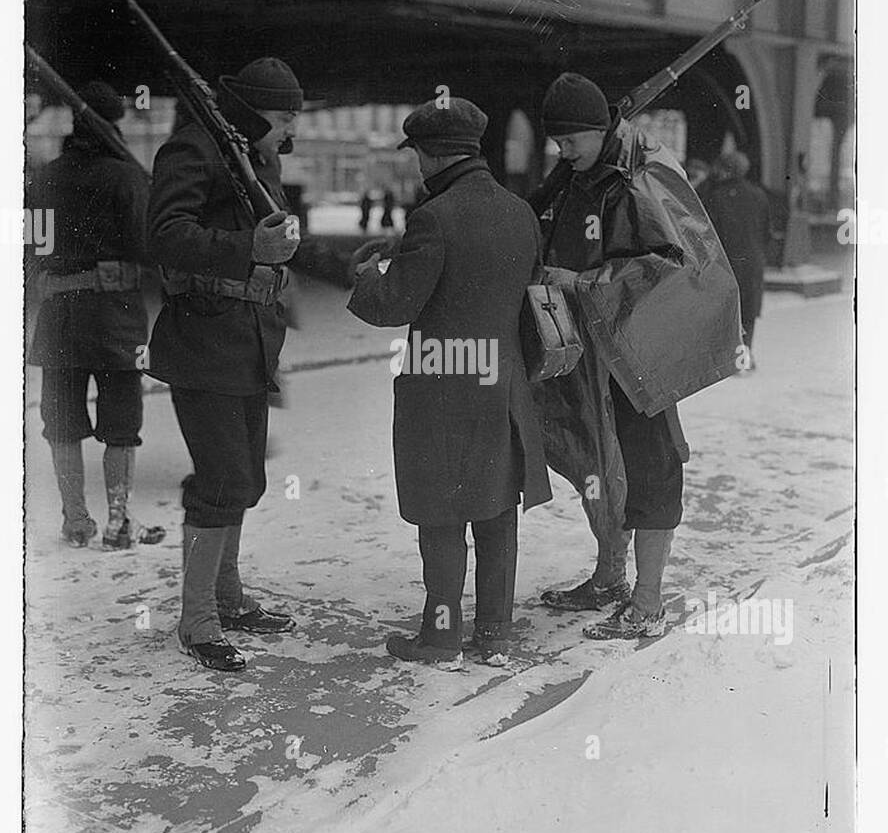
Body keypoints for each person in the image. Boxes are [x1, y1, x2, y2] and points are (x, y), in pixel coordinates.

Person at [347, 98, 551, 668]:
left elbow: (395, 304)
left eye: (417, 153)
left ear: (434, 154)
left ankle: (440, 638)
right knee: (497, 511)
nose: (416, 165)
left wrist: (367, 277)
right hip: (502, 384)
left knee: (442, 513)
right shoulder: (520, 212)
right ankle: (496, 633)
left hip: (443, 387)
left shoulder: (434, 217)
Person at [531, 73, 718, 640]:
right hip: (587, 347)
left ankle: (648, 602)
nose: (562, 152)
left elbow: (675, 265)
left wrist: (581, 282)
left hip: (638, 352)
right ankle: (610, 577)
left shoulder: (644, 174)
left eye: (570, 141)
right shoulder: (583, 173)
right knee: (597, 459)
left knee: (651, 464)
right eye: (557, 142)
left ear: (598, 129)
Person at [147, 58, 303, 671]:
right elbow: (164, 235)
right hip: (204, 340)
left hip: (251, 340)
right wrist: (248, 247)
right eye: (285, 116)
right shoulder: (192, 150)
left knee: (243, 480)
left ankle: (227, 597)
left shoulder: (256, 159)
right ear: (255, 112)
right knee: (220, 482)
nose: (292, 129)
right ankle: (198, 619)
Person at [28, 80, 166, 550]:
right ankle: (118, 523)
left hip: (59, 318)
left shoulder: (44, 177)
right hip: (115, 318)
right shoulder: (126, 178)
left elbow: (33, 246)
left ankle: (75, 521)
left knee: (62, 424)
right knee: (122, 426)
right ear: (115, 124)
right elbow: (146, 248)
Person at [699, 150, 771, 368]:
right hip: (752, 262)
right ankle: (744, 356)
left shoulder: (715, 195)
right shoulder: (759, 195)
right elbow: (767, 232)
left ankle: (722, 359)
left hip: (725, 261)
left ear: (725, 169)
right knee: (748, 310)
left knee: (723, 309)